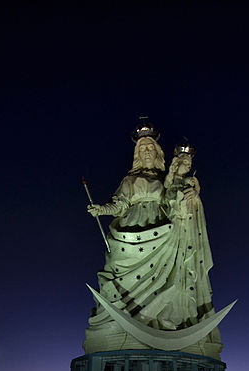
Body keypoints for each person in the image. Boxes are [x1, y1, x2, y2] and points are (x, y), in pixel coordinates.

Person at [84, 125, 223, 358]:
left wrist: (191, 195)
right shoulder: (129, 180)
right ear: (138, 154)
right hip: (129, 232)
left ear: (157, 152)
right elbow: (119, 203)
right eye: (142, 148)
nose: (147, 151)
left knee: (172, 269)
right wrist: (101, 209)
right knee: (119, 275)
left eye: (150, 147)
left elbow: (174, 201)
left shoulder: (164, 180)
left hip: (162, 232)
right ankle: (120, 329)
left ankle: (167, 321)